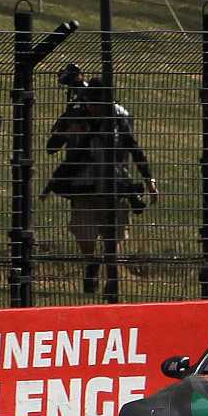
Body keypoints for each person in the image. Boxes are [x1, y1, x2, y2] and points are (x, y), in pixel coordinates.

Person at [44, 64, 158, 299]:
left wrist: (148, 179)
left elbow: (133, 147)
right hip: (83, 184)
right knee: (83, 234)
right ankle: (91, 263)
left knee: (113, 236)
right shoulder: (74, 114)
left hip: (115, 184)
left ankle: (111, 281)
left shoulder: (120, 117)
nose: (95, 108)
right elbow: (51, 147)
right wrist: (67, 131)